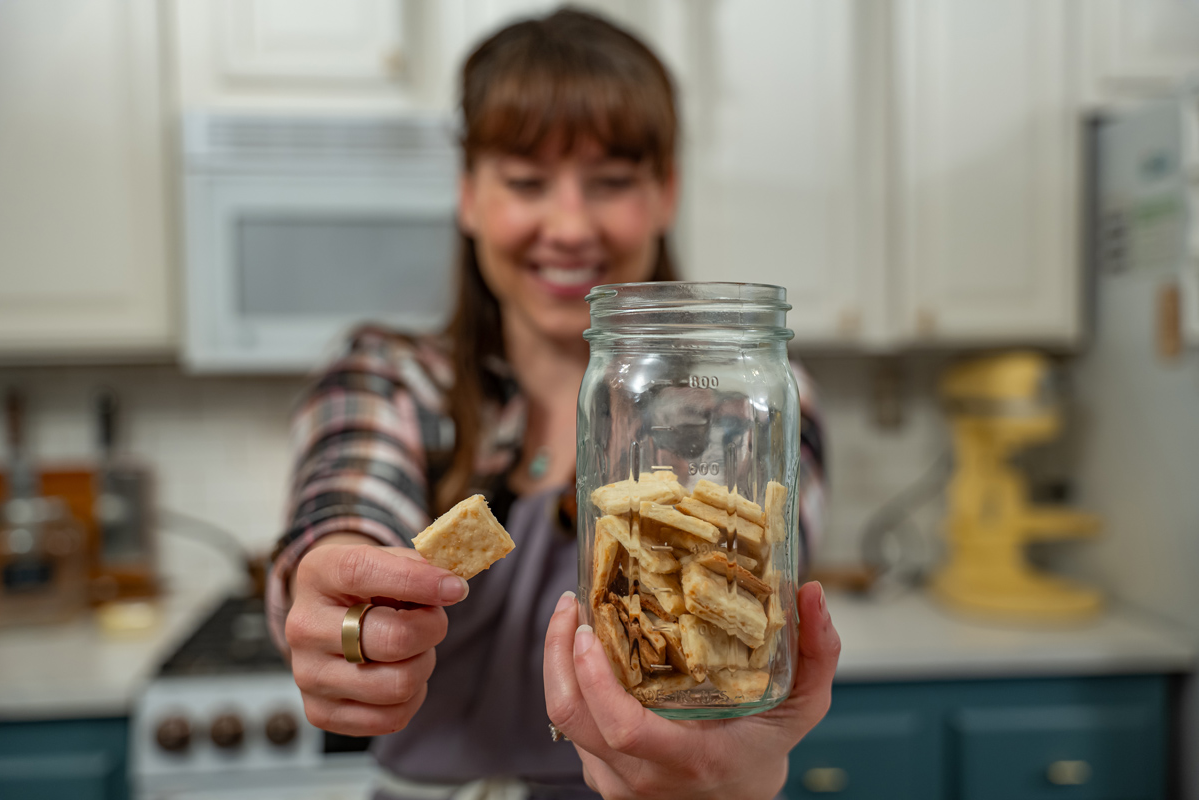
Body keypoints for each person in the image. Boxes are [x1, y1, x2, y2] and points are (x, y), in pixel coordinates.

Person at [267, 9, 838, 800]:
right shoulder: (392, 379)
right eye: (526, 182)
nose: (569, 227)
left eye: (610, 182)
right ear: (468, 196)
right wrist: (336, 585)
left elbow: (758, 619)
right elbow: (344, 501)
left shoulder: (750, 396)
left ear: (666, 192)